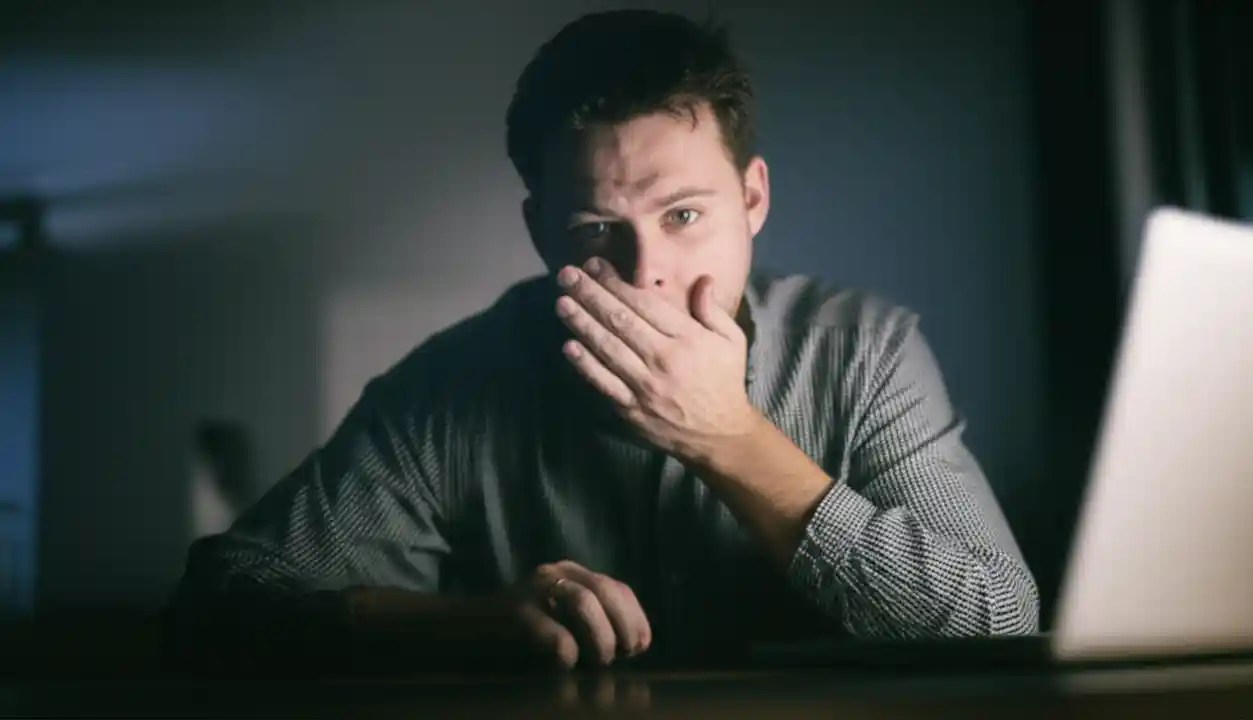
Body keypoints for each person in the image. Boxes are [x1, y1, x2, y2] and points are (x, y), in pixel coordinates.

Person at [168, 9, 1038, 672]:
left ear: (754, 200)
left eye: (684, 215)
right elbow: (217, 607)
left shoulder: (862, 352)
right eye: (594, 231)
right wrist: (467, 625)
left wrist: (729, 437)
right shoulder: (453, 386)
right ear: (540, 232)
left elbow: (996, 621)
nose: (646, 272)